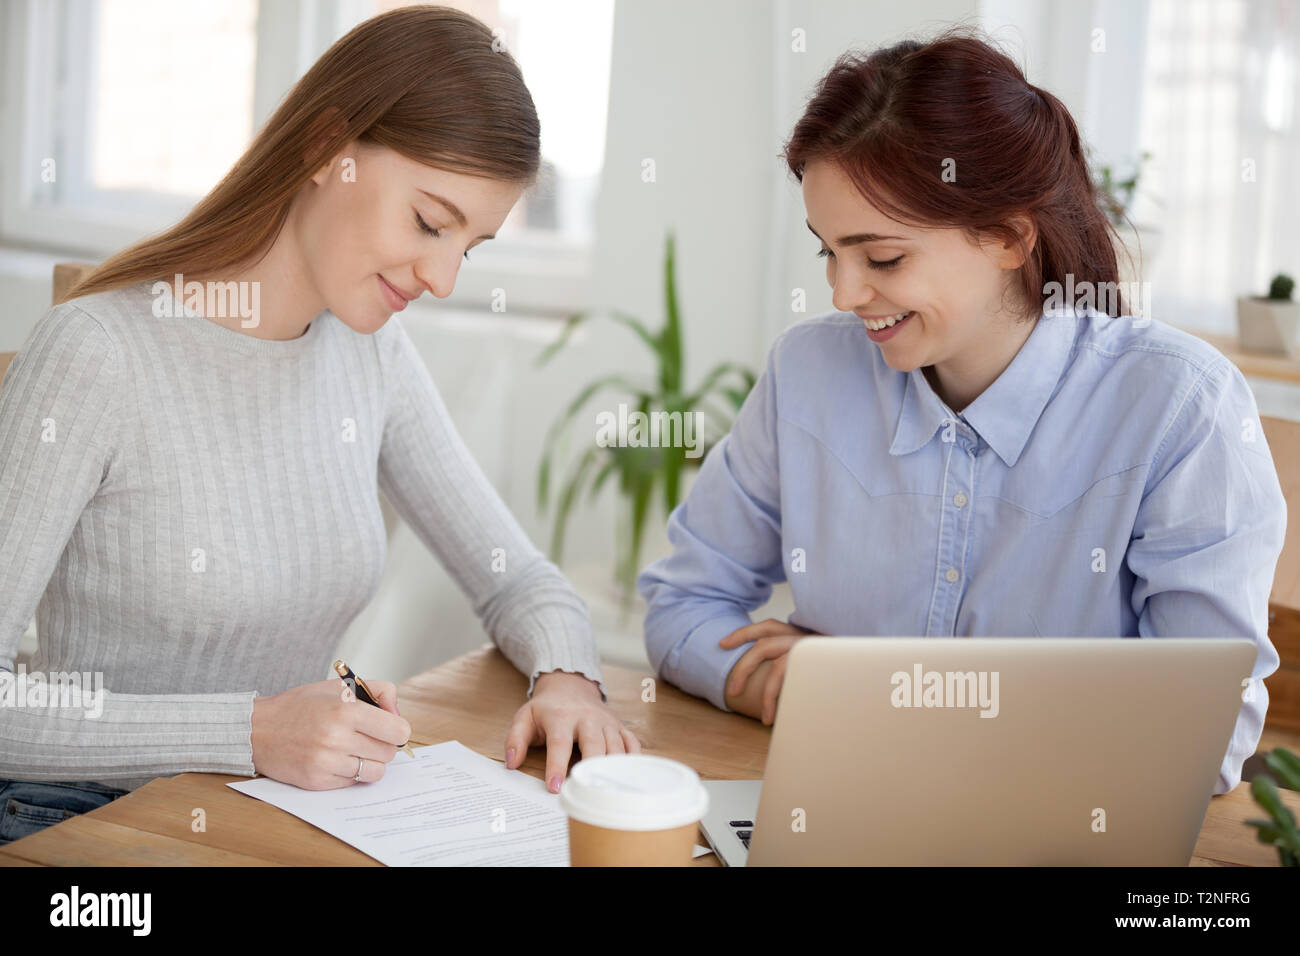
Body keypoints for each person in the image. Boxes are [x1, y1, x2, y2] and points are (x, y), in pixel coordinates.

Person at [0, 6, 637, 846]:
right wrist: (254, 731)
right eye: (429, 222)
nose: (443, 277)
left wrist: (567, 679)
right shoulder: (97, 354)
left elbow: (514, 577)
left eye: (470, 246)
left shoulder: (368, 354)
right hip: (85, 817)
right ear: (323, 149)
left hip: (281, 811)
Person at [637, 31, 1286, 795]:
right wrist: (789, 685)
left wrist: (868, 693)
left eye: (882, 259)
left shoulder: (1179, 407)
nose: (844, 295)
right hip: (838, 802)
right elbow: (684, 602)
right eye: (827, 253)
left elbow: (1201, 732)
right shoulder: (808, 372)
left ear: (1010, 237)